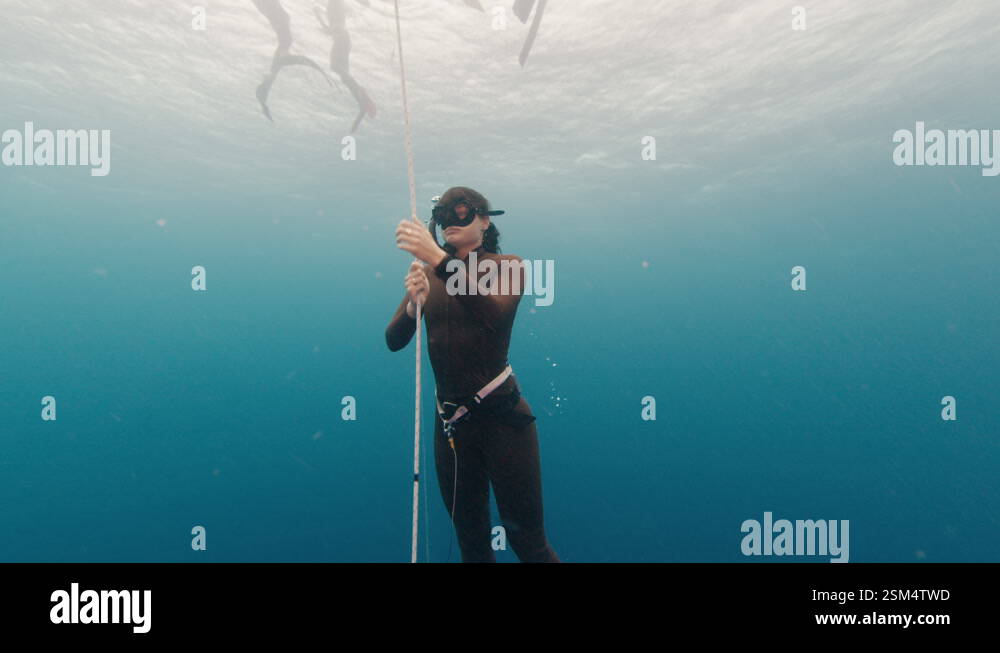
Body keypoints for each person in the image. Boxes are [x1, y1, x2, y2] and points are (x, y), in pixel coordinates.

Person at [386, 186, 561, 563]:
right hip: (449, 426)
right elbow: (393, 340)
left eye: (461, 210)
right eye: (443, 214)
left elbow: (493, 314)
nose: (450, 220)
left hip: (502, 420)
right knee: (472, 544)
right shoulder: (429, 275)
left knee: (528, 543)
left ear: (484, 220)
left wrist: (437, 259)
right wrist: (412, 309)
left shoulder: (507, 266)